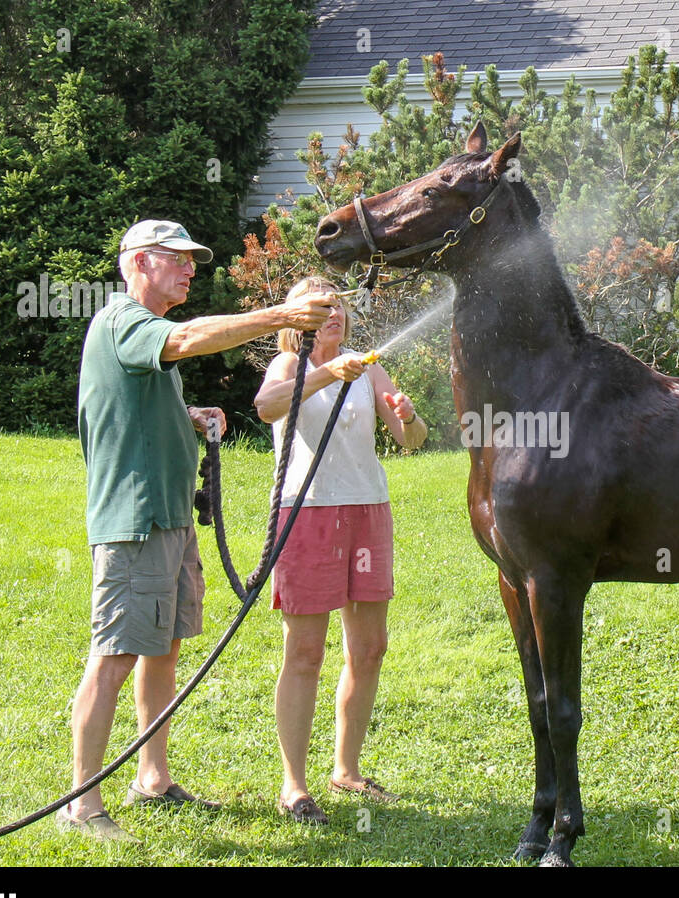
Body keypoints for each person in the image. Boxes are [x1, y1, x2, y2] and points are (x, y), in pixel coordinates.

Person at [60, 220, 336, 841]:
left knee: (162, 648)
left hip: (168, 518)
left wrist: (187, 414)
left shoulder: (141, 333)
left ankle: (152, 778)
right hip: (134, 522)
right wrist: (281, 316)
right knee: (114, 655)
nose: (190, 268)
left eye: (191, 260)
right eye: (177, 259)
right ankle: (82, 804)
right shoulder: (125, 321)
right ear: (139, 262)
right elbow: (185, 339)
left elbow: (127, 407)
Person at [253, 276, 427, 825]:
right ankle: (294, 786)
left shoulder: (368, 365)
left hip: (366, 510)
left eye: (340, 307)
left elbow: (412, 441)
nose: (335, 315)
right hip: (306, 515)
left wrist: (408, 415)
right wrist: (327, 372)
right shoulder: (288, 366)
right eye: (322, 307)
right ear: (298, 316)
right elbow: (266, 408)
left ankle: (347, 770)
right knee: (305, 652)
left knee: (370, 647)